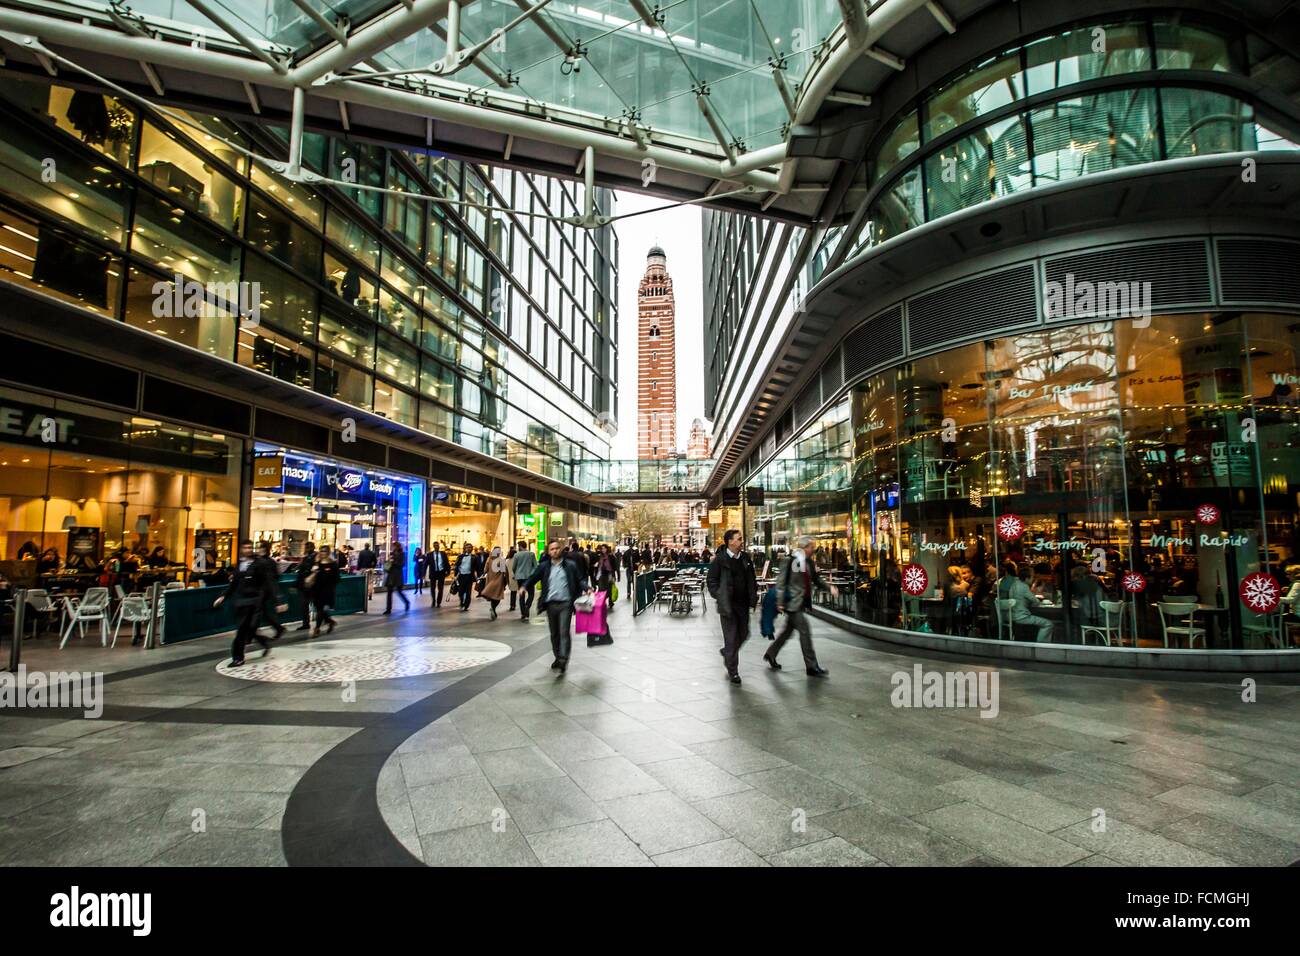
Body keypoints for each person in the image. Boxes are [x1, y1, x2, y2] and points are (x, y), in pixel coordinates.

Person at [764, 535, 833, 677]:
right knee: (805, 631)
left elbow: (816, 579)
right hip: (792, 603)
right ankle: (811, 666)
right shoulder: (790, 561)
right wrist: (780, 602)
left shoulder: (808, 562)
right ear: (803, 547)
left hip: (801, 602)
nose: (813, 549)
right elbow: (781, 582)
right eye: (811, 547)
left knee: (787, 631)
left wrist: (829, 588)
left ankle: (771, 653)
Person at [213, 539, 284, 666]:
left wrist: (278, 600)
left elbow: (270, 582)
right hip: (242, 602)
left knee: (250, 628)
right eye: (245, 547)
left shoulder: (260, 563)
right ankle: (238, 657)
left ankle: (261, 643)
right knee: (242, 629)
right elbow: (234, 583)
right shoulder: (240, 565)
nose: (248, 550)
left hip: (255, 602)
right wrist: (223, 596)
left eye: (250, 547)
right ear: (241, 549)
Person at [521, 540, 583, 674]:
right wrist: (524, 586)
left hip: (566, 603)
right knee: (554, 633)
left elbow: (580, 579)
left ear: (561, 549)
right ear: (548, 552)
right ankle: (558, 657)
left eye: (557, 548)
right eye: (552, 549)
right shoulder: (544, 566)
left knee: (564, 632)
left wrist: (587, 588)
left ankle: (563, 659)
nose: (554, 551)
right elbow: (533, 577)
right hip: (550, 604)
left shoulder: (570, 565)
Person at [707, 528, 758, 684]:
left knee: (743, 634)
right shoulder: (720, 560)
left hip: (743, 605)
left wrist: (753, 596)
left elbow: (751, 579)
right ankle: (733, 671)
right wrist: (720, 595)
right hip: (727, 606)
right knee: (731, 637)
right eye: (739, 539)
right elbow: (711, 581)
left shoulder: (745, 558)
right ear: (730, 541)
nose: (741, 542)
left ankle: (727, 652)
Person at [997, 560, 1054, 642]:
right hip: (1021, 616)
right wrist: (1039, 599)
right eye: (1032, 577)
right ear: (1027, 578)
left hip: (1011, 615)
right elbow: (1036, 601)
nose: (1033, 578)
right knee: (1048, 624)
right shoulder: (1024, 587)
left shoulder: (1015, 584)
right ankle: (1042, 645)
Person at [255, 541, 286, 640]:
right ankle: (278, 628)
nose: (259, 550)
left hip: (263, 590)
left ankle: (253, 635)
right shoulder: (267, 561)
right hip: (263, 590)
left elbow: (272, 579)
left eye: (261, 548)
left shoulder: (266, 562)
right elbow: (277, 576)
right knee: (263, 613)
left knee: (258, 612)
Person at [308, 546, 340, 637]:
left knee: (320, 610)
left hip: (327, 591)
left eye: (324, 551)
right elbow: (313, 574)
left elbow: (336, 578)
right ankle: (330, 621)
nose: (322, 553)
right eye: (321, 551)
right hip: (316, 590)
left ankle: (317, 628)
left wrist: (330, 586)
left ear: (328, 552)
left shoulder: (333, 564)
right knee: (319, 609)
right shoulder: (317, 563)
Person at [511, 540, 538, 620]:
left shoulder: (516, 555)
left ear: (520, 546)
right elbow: (535, 566)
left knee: (521, 595)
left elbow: (513, 567)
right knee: (531, 594)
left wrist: (516, 573)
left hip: (519, 578)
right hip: (529, 577)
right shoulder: (531, 554)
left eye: (518, 546)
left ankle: (523, 613)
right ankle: (527, 606)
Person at [480, 546, 508, 620]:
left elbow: (485, 570)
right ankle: (493, 608)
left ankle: (493, 609)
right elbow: (503, 570)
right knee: (497, 596)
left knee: (492, 596)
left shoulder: (489, 559)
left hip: (490, 579)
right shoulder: (501, 559)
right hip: (498, 580)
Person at [293, 541, 317, 631]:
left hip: (313, 585)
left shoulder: (316, 557)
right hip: (304, 585)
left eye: (308, 547)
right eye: (306, 547)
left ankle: (326, 619)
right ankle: (306, 623)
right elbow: (301, 571)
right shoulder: (305, 558)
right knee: (304, 604)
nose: (307, 549)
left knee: (316, 604)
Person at [383, 543, 409, 614]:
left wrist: (394, 563)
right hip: (391, 575)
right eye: (393, 546)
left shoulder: (402, 554)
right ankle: (388, 609)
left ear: (398, 546)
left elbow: (402, 564)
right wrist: (387, 563)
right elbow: (389, 561)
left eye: (394, 546)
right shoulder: (392, 553)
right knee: (389, 592)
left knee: (399, 591)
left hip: (398, 575)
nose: (393, 547)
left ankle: (406, 602)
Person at [454, 543, 477, 611]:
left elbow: (477, 567)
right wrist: (455, 576)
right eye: (468, 547)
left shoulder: (474, 557)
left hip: (469, 576)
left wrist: (478, 576)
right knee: (461, 591)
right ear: (465, 548)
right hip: (461, 576)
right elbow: (456, 566)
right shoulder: (460, 556)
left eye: (470, 547)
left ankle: (466, 605)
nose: (469, 548)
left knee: (468, 592)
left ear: (472, 548)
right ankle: (461, 601)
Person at [427, 542, 449, 607]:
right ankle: (433, 600)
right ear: (433, 546)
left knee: (440, 588)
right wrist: (423, 573)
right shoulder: (429, 554)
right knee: (432, 588)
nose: (436, 546)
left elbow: (446, 563)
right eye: (435, 545)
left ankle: (439, 602)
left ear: (439, 546)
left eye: (437, 545)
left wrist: (448, 571)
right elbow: (425, 564)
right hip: (433, 573)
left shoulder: (443, 554)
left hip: (441, 573)